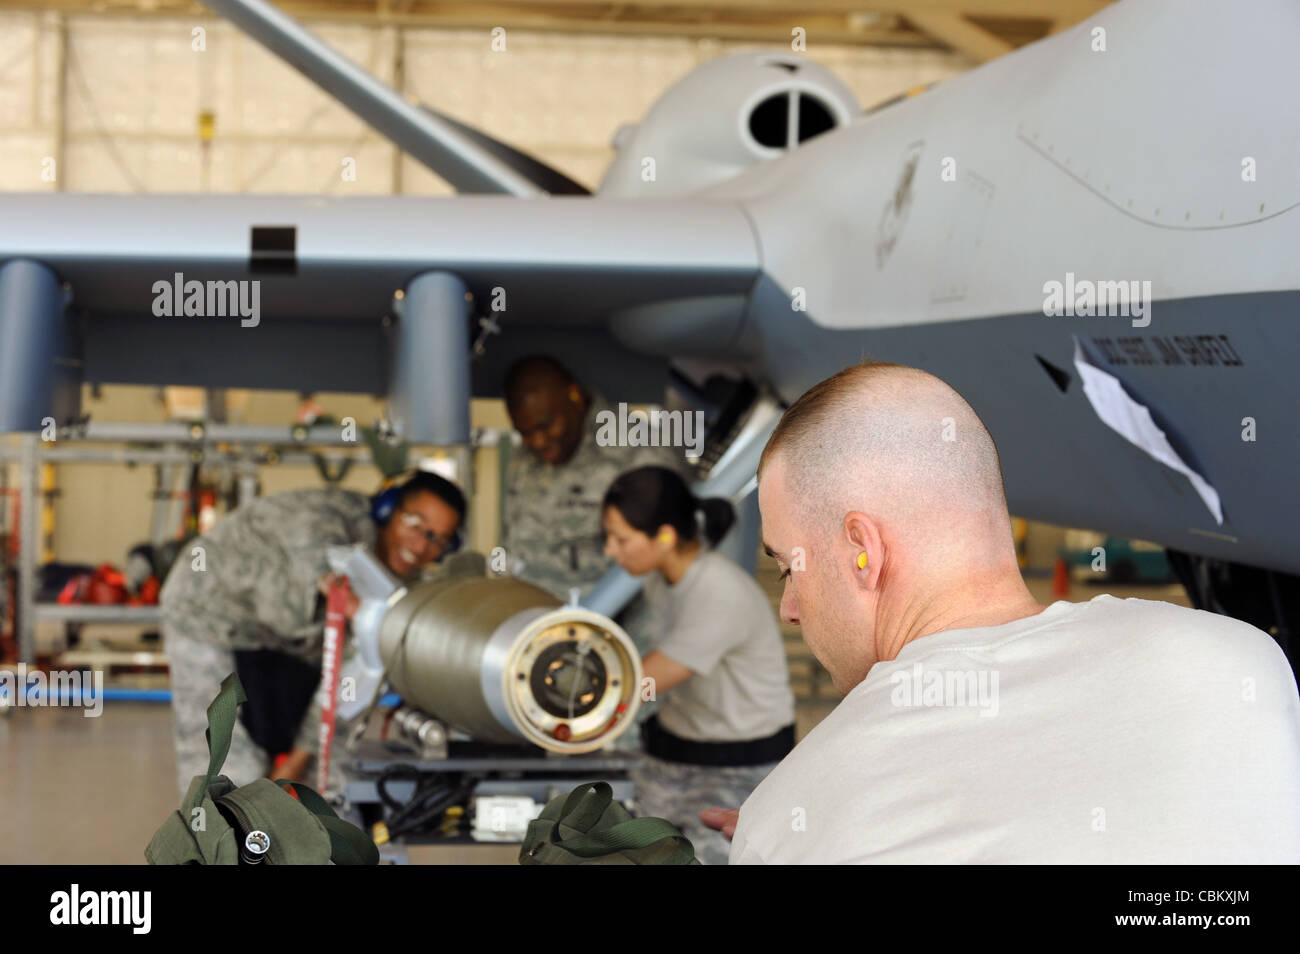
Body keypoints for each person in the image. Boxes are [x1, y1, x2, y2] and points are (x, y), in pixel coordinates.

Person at [702, 361, 1300, 863]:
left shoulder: (787, 819)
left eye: (789, 567)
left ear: (863, 550)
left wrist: (795, 830)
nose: (789, 609)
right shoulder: (1242, 661)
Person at [161, 471, 466, 797]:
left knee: (332, 771)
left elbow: (346, 688)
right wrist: (341, 591)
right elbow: (316, 551)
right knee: (230, 767)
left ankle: (314, 841)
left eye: (437, 539)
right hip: (208, 616)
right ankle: (212, 839)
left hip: (280, 643)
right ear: (387, 510)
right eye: (414, 524)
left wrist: (295, 763)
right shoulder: (327, 512)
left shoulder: (396, 593)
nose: (420, 546)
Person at [601, 465, 795, 864]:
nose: (610, 551)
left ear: (666, 537)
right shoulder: (661, 579)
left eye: (621, 539)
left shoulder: (718, 592)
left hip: (737, 769)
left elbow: (638, 683)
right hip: (673, 755)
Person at [501, 356, 688, 643]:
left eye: (546, 425)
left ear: (574, 396)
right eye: (525, 433)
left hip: (616, 641)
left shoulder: (637, 451)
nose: (537, 442)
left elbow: (666, 560)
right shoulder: (522, 461)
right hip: (535, 636)